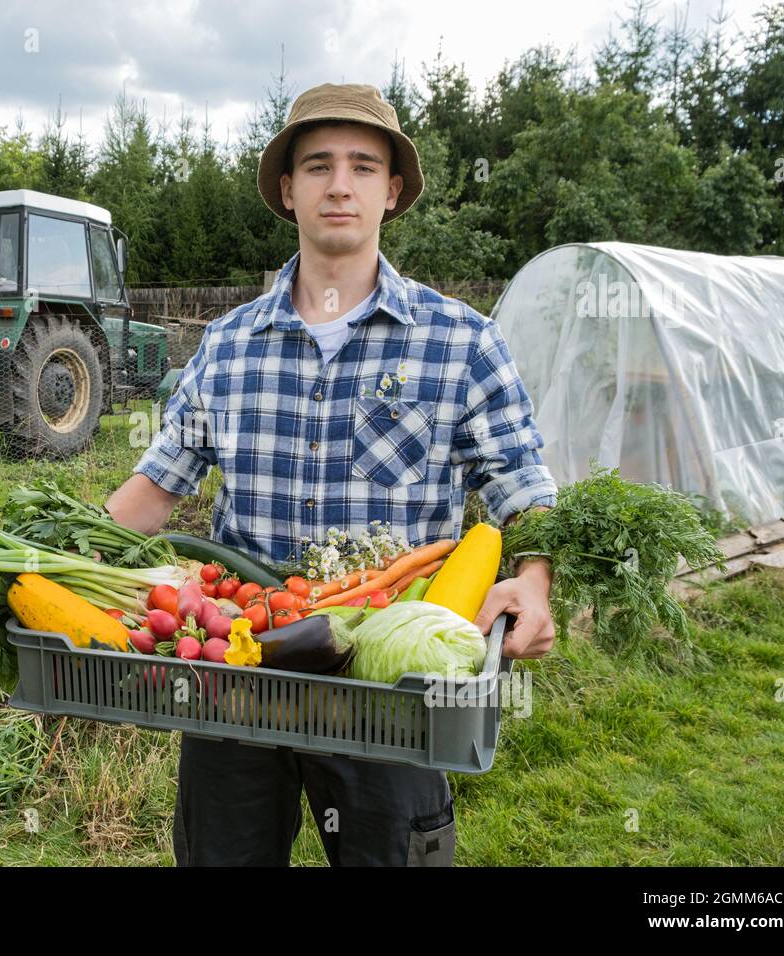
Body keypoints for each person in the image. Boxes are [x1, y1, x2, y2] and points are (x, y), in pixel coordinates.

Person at [104, 82, 558, 867]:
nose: (339, 184)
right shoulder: (228, 344)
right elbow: (157, 488)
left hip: (393, 688)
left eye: (362, 166)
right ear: (289, 190)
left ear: (392, 191)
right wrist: (55, 562)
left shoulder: (462, 342)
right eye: (317, 166)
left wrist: (536, 582)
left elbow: (525, 488)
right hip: (238, 671)